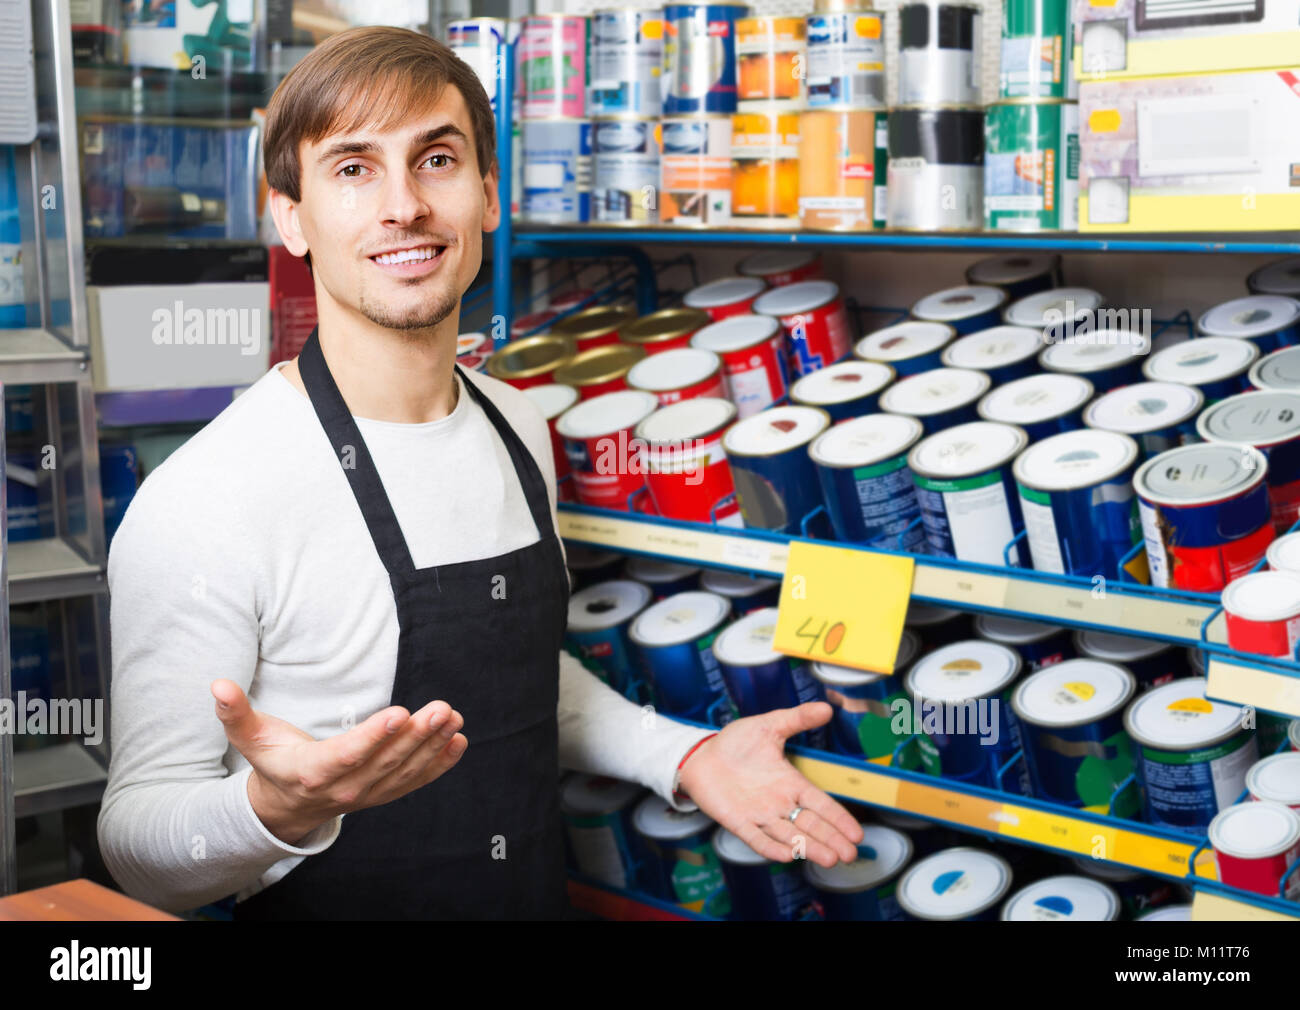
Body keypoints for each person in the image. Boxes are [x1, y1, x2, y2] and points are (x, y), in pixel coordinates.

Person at [96, 25, 862, 920]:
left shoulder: (517, 425)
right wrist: (279, 806)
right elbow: (137, 847)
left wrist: (680, 756)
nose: (404, 206)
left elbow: (515, 679)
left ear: (488, 194)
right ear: (291, 217)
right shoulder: (209, 495)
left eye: (437, 159)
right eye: (353, 169)